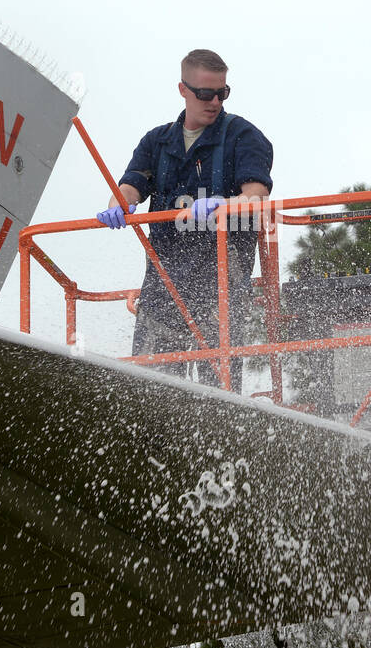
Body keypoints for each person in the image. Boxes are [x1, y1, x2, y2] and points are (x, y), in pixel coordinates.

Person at [97, 49, 273, 392]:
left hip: (221, 281)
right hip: (164, 280)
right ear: (183, 90)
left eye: (222, 93)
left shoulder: (244, 137)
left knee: (218, 389)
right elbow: (131, 186)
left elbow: (256, 196)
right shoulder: (156, 142)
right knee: (152, 385)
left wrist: (224, 204)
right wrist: (119, 205)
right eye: (206, 94)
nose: (215, 102)